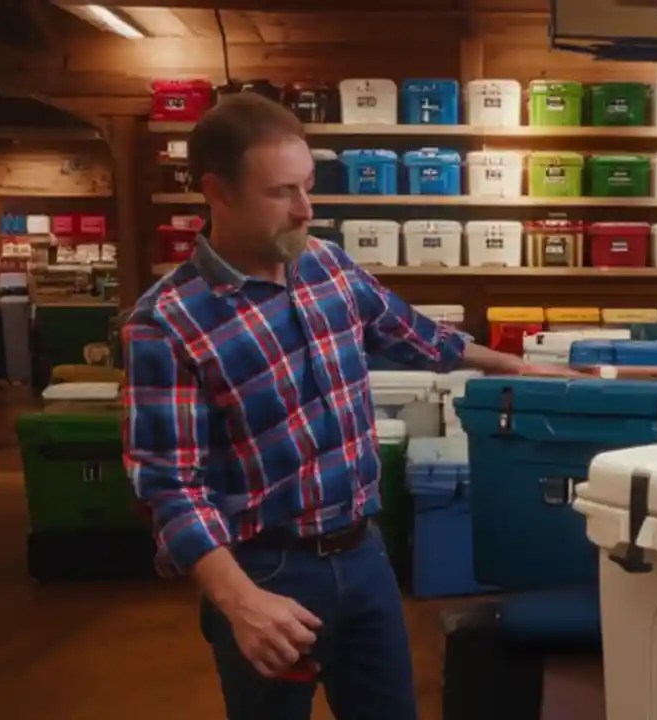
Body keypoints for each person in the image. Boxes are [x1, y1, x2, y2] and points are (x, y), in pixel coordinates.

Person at [123, 92, 574, 720]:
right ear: (217, 193)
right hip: (265, 571)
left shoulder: (327, 266)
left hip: (364, 556)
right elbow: (168, 483)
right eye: (282, 192)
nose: (305, 210)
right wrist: (239, 601)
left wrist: (517, 365)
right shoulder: (168, 321)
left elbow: (412, 332)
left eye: (308, 187)